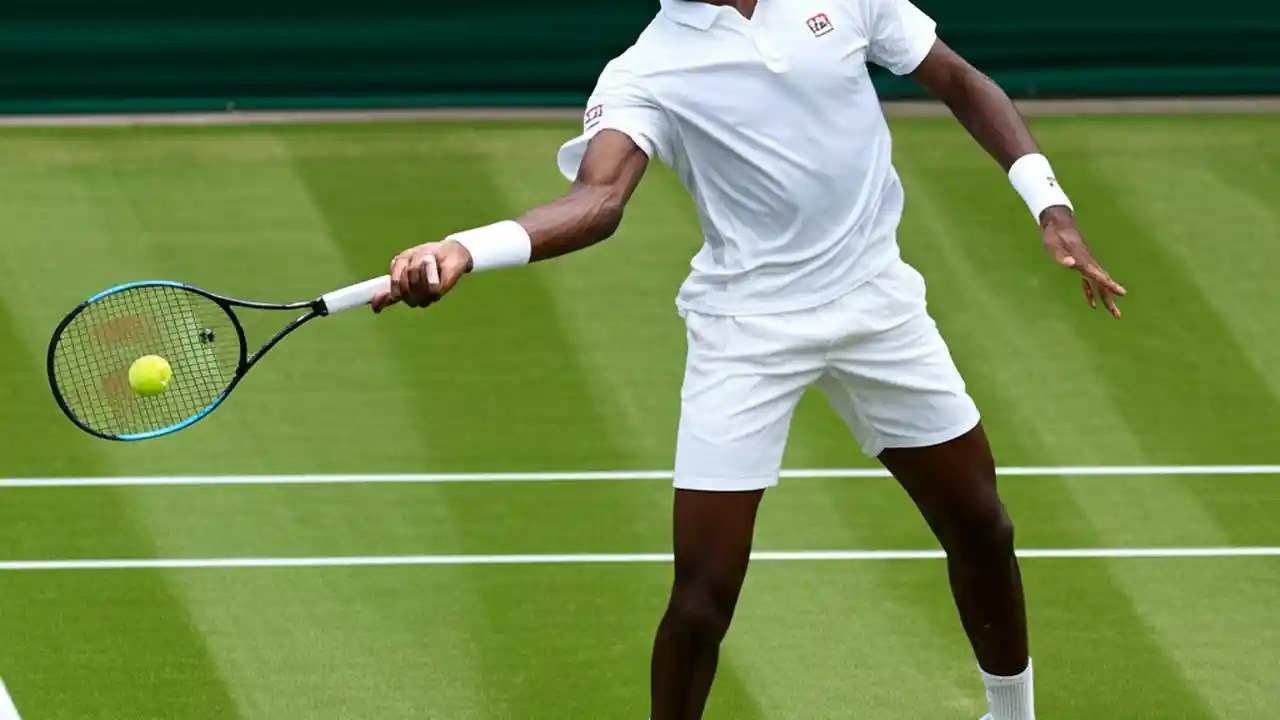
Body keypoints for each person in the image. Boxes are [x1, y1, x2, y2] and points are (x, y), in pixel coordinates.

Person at [371, 0, 1127, 717]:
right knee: (703, 595)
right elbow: (597, 202)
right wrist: (464, 248)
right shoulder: (646, 69)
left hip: (878, 308)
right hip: (748, 329)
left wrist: (1049, 204)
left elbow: (959, 80)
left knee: (982, 528)